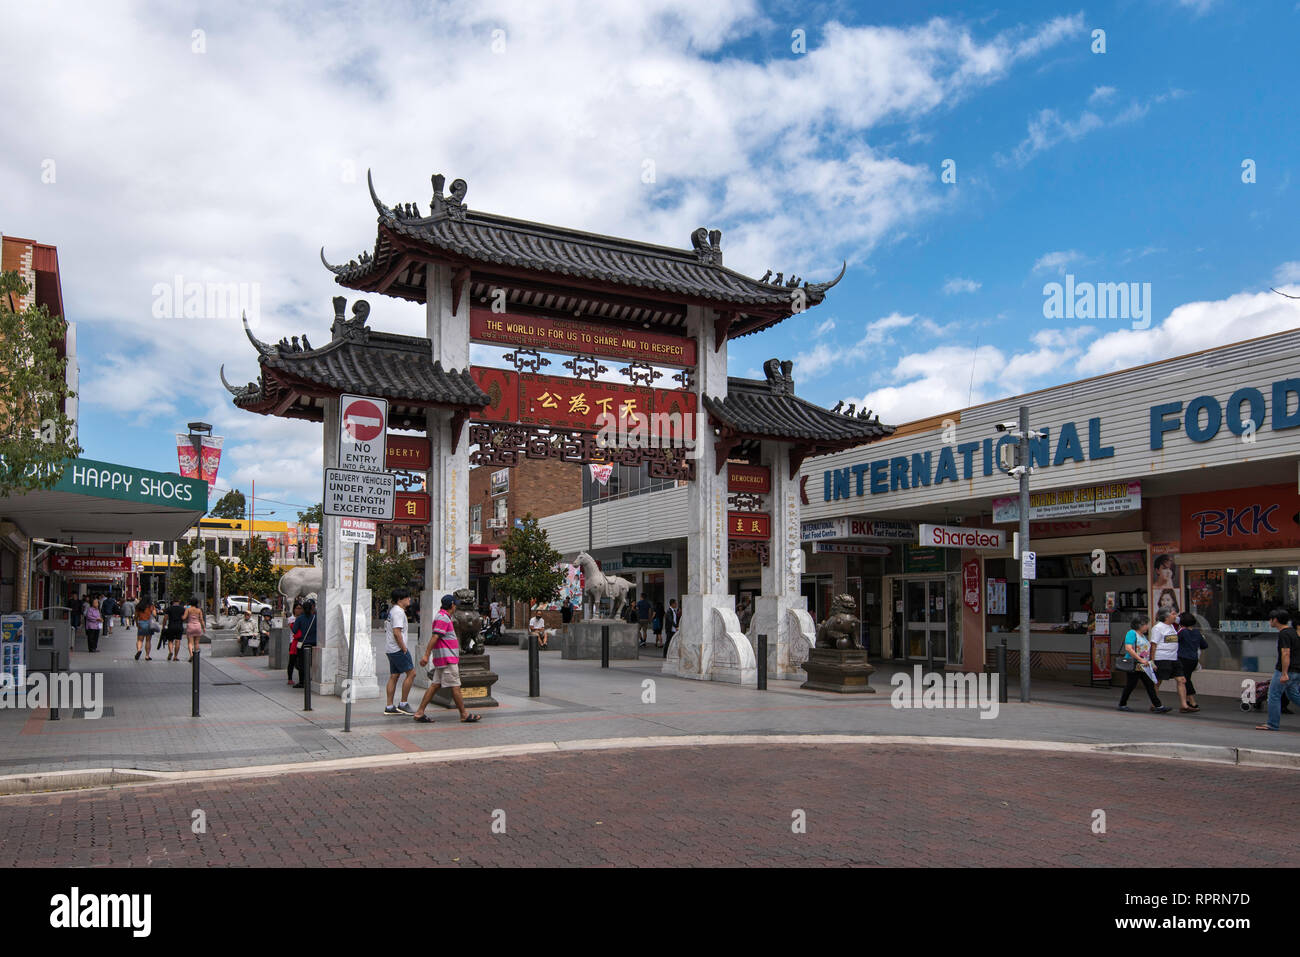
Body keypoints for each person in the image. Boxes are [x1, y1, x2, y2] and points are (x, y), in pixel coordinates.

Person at [412, 594, 480, 724]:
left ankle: (420, 712)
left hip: (444, 659)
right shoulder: (443, 618)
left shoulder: (443, 617)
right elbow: (435, 637)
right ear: (452, 605)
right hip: (448, 659)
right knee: (455, 685)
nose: (456, 606)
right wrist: (426, 655)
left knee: (435, 685)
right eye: (455, 604)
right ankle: (464, 714)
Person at [1257, 608, 1300, 732]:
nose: (1269, 621)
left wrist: (1284, 673)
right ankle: (1272, 723)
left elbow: (1285, 653)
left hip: (1285, 671)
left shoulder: (1284, 634)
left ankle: (1272, 724)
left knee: (1274, 695)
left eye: (1270, 619)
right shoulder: (1293, 632)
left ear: (1275, 620)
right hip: (1296, 670)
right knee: (1294, 695)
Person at [1117, 614, 1168, 712]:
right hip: (1134, 664)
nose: (1147, 626)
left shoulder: (1143, 636)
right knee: (1131, 685)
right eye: (1146, 624)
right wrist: (1140, 659)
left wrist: (1150, 664)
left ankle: (1158, 706)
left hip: (1143, 665)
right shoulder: (1131, 633)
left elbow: (1145, 653)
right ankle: (1122, 704)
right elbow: (1128, 648)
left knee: (1149, 685)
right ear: (1139, 625)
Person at [383, 587, 416, 716]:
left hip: (391, 649)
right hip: (397, 649)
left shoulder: (394, 611)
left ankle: (390, 706)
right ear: (399, 599)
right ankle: (403, 704)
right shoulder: (398, 612)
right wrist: (404, 648)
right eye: (407, 597)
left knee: (394, 675)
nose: (409, 599)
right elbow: (397, 632)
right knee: (412, 673)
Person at [1149, 607, 1190, 711]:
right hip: (1162, 658)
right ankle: (1155, 704)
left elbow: (1181, 621)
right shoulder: (1158, 628)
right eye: (1173, 614)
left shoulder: (1172, 626)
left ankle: (1184, 705)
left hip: (1174, 658)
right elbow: (1153, 645)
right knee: (1158, 681)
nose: (1175, 616)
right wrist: (1152, 661)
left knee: (1181, 680)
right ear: (1166, 616)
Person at [1175, 611, 1208, 711]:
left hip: (1183, 659)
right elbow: (1204, 645)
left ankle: (1193, 702)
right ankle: (1189, 701)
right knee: (1186, 679)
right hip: (1193, 659)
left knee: (1184, 680)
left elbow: (1173, 642)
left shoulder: (1182, 632)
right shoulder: (1197, 632)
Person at [292, 599, 317, 689]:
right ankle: (313, 680)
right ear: (311, 608)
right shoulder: (316, 618)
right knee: (313, 663)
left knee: (301, 664)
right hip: (314, 644)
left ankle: (302, 682)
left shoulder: (299, 619)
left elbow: (294, 630)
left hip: (303, 644)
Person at [162, 596, 185, 662]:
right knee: (178, 641)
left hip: (171, 626)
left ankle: (171, 651)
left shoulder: (169, 608)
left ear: (173, 602)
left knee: (170, 640)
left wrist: (163, 626)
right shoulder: (182, 609)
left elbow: (165, 618)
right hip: (179, 626)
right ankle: (175, 656)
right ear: (179, 602)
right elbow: (184, 618)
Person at [183, 595, 206, 661]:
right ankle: (196, 656)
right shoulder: (199, 610)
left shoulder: (188, 609)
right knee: (197, 643)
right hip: (198, 627)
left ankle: (191, 655)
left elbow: (184, 617)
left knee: (190, 643)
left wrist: (182, 618)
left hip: (190, 626)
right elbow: (201, 619)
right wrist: (203, 627)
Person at [286, 599, 304, 685]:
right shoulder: (291, 619)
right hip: (293, 642)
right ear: (294, 609)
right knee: (292, 661)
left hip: (301, 642)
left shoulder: (303, 618)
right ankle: (290, 678)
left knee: (301, 661)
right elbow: (294, 630)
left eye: (300, 608)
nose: (299, 610)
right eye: (297, 608)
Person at [134, 596, 156, 661]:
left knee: (140, 640)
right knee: (148, 641)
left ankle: (139, 650)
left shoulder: (138, 606)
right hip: (149, 624)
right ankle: (147, 656)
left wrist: (137, 623)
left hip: (141, 623)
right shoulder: (151, 606)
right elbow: (154, 615)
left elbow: (136, 616)